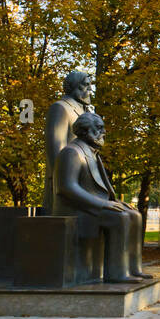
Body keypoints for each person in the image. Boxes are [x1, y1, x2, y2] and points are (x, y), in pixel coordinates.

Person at [54, 111, 147, 282]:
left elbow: (99, 187)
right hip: (76, 209)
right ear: (85, 130)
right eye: (99, 128)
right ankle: (117, 274)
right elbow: (67, 188)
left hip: (91, 207)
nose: (103, 132)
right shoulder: (72, 152)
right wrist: (103, 205)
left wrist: (114, 202)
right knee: (120, 218)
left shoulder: (92, 153)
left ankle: (134, 269)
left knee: (135, 215)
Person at [43, 70, 94, 213]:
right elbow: (55, 150)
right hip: (67, 182)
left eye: (90, 85)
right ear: (73, 86)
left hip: (83, 180)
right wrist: (61, 181)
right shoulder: (60, 107)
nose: (90, 89)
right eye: (85, 85)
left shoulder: (85, 112)